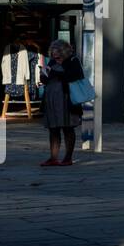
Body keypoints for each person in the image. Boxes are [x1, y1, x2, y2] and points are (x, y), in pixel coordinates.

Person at [40, 39, 86, 167]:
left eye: (57, 53)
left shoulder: (73, 60)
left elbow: (77, 76)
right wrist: (43, 74)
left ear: (64, 51)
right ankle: (53, 157)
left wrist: (59, 73)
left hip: (67, 99)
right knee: (53, 128)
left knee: (67, 128)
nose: (55, 56)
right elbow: (44, 79)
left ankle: (68, 158)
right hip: (52, 99)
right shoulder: (52, 61)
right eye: (53, 53)